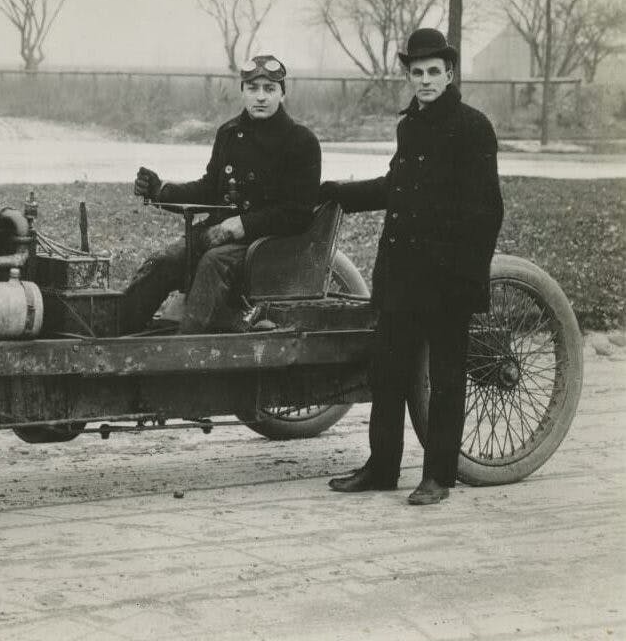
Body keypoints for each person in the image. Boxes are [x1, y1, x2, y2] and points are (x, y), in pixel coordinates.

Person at [322, 28, 504, 505]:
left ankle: (437, 477)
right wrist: (339, 191)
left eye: (433, 72)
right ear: (408, 75)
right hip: (401, 274)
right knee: (389, 374)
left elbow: (488, 213)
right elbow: (395, 187)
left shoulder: (473, 127)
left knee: (445, 379)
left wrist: (466, 278)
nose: (424, 81)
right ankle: (382, 468)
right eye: (416, 73)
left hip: (447, 280)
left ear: (449, 74)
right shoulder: (410, 126)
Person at [119, 55, 321, 335]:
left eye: (269, 89)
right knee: (166, 260)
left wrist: (241, 225)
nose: (260, 97)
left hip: (268, 245)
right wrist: (161, 190)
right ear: (242, 91)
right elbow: (209, 189)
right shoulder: (228, 133)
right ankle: (116, 337)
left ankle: (185, 352)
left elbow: (297, 214)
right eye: (252, 88)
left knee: (212, 263)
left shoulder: (302, 142)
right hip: (217, 234)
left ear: (282, 93)